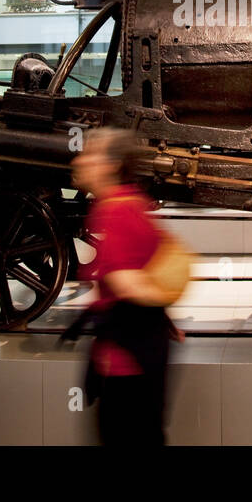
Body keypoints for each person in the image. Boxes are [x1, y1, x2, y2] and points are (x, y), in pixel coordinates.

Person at [68, 128, 179, 445]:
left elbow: (129, 285)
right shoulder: (133, 203)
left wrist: (101, 318)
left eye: (91, 154)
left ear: (112, 165)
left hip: (127, 365)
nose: (82, 160)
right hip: (141, 357)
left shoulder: (114, 210)